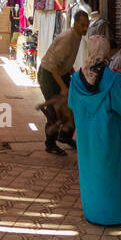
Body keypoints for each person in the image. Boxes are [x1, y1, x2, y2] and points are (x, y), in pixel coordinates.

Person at [67, 35, 121, 226]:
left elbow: (72, 104)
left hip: (86, 139)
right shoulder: (112, 79)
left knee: (90, 176)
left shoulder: (77, 79)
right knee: (111, 175)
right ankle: (114, 215)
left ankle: (93, 213)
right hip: (109, 139)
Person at [37, 11, 90, 156]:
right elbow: (54, 66)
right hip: (48, 74)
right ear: (75, 23)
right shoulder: (68, 38)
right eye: (82, 25)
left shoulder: (77, 36)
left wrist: (73, 74)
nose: (85, 28)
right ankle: (50, 144)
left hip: (60, 73)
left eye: (87, 25)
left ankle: (65, 136)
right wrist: (63, 87)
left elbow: (64, 61)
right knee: (55, 111)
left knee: (73, 104)